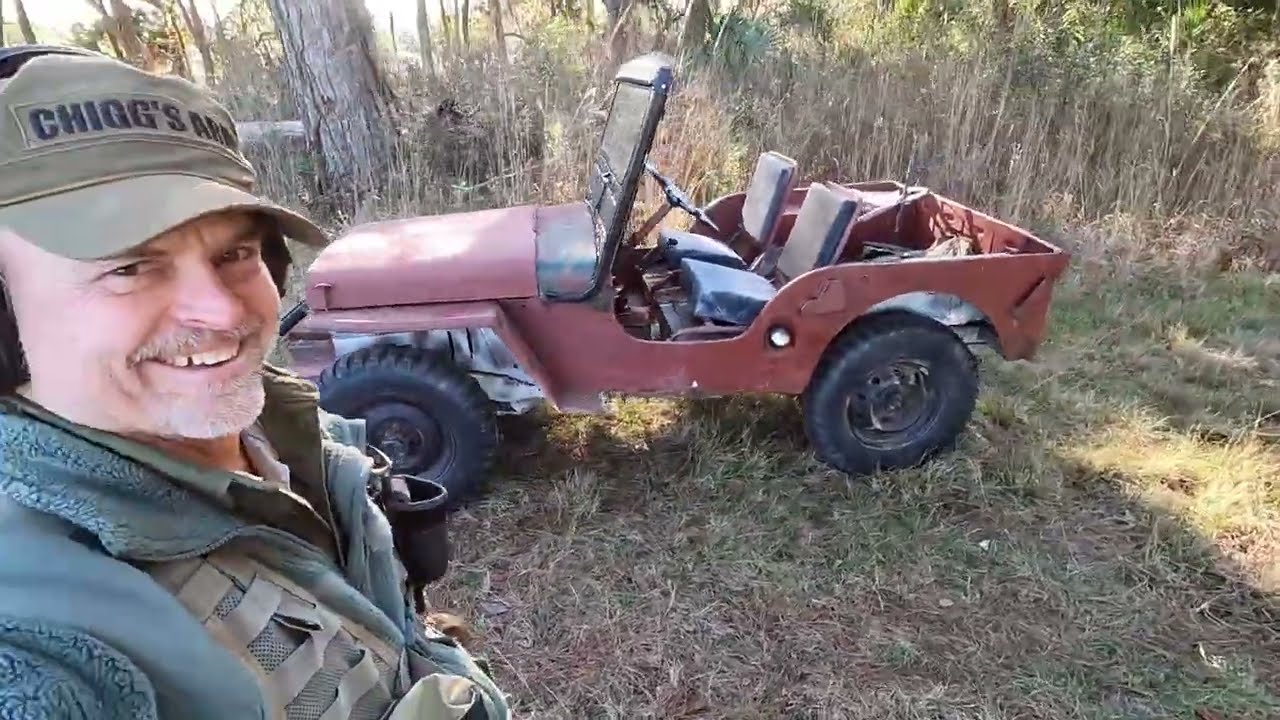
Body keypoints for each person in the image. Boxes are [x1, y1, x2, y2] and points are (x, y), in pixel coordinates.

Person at [0, 46, 511, 720]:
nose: (224, 312)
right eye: (128, 268)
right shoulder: (36, 642)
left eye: (235, 253)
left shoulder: (280, 428)